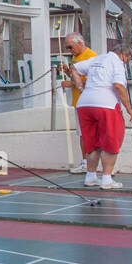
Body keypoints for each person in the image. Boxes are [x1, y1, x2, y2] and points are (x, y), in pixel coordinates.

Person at [66, 41, 132, 189]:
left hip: (85, 103)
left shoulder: (97, 59)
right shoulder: (117, 63)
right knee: (110, 141)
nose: (127, 62)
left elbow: (74, 68)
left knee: (91, 143)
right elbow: (118, 86)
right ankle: (106, 179)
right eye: (128, 59)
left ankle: (90, 176)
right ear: (124, 55)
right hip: (106, 104)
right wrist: (129, 109)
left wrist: (80, 87)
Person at [56, 31, 96, 172]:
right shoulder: (75, 57)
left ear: (79, 43)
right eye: (67, 48)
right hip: (78, 101)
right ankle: (85, 162)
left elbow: (91, 79)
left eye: (70, 47)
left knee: (88, 133)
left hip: (88, 101)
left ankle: (90, 164)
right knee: (82, 134)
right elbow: (76, 75)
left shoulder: (91, 57)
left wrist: (71, 83)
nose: (69, 50)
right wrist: (67, 71)